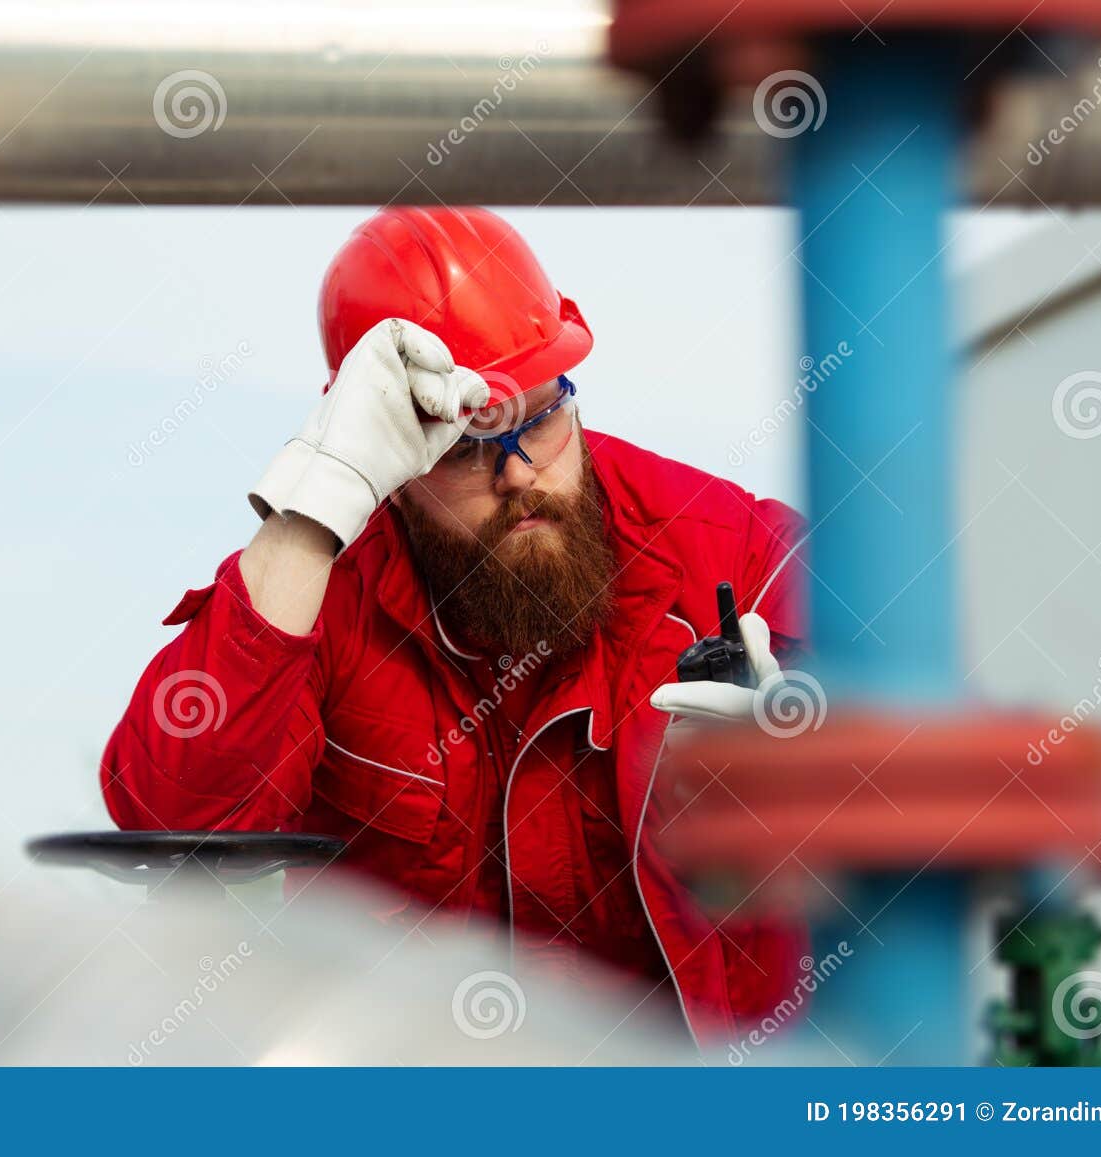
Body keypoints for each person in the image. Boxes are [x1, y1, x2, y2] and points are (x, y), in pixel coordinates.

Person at [101, 205, 809, 1045]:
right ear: (390, 452)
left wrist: (820, 750)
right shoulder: (323, 585)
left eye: (539, 418)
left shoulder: (733, 551)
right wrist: (312, 508)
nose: (516, 474)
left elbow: (961, 790)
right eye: (463, 446)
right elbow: (176, 818)